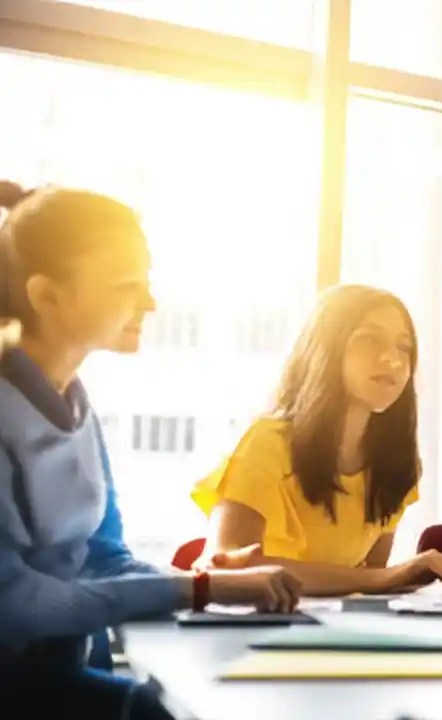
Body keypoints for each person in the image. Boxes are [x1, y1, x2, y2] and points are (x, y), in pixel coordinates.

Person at [0, 182, 298, 719]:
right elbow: (16, 606)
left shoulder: (75, 405)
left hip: (62, 675)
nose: (151, 302)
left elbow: (104, 557)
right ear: (47, 295)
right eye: (126, 284)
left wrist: (201, 582)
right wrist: (199, 589)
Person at [192, 285, 442, 596]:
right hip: (255, 626)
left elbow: (367, 579)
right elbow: (226, 565)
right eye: (369, 340)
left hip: (331, 628)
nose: (393, 359)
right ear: (326, 349)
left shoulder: (397, 464)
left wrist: (390, 578)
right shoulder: (268, 443)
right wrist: (389, 576)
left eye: (404, 347)